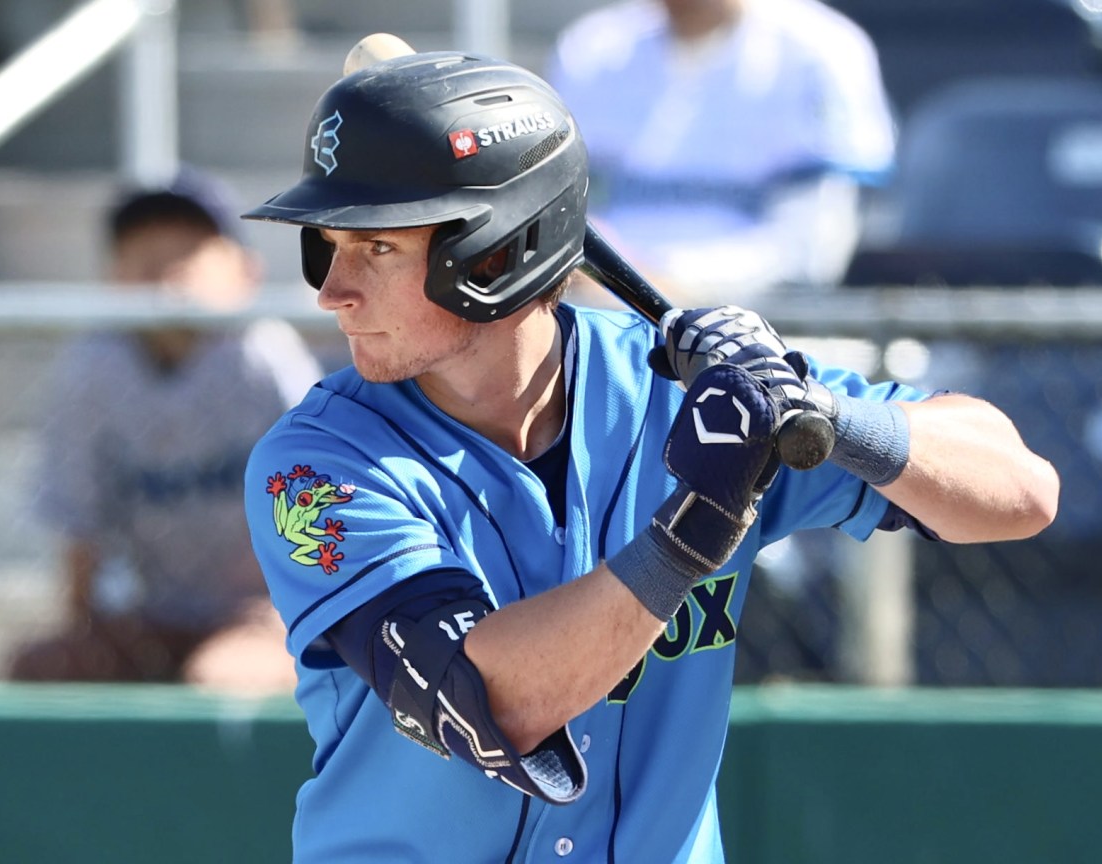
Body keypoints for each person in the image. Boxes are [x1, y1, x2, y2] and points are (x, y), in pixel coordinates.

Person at [239, 50, 1057, 860]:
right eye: (331, 243)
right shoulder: (315, 466)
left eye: (378, 248)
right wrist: (694, 532)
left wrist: (816, 411)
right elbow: (490, 704)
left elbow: (1023, 491)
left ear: (496, 253)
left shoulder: (683, 396)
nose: (332, 291)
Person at [7, 167, 322, 693]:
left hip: (266, 613)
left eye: (188, 249)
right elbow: (79, 525)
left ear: (246, 272)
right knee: (43, 668)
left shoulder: (265, 357)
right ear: (112, 274)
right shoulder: (92, 367)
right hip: (152, 614)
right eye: (141, 250)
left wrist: (287, 617)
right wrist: (88, 630)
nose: (162, 266)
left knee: (218, 679)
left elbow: (320, 507)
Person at [545, 0, 898, 303]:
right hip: (597, 315)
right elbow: (561, 210)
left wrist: (662, 283)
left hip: (765, 327)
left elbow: (812, 250)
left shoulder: (822, 49)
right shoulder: (592, 47)